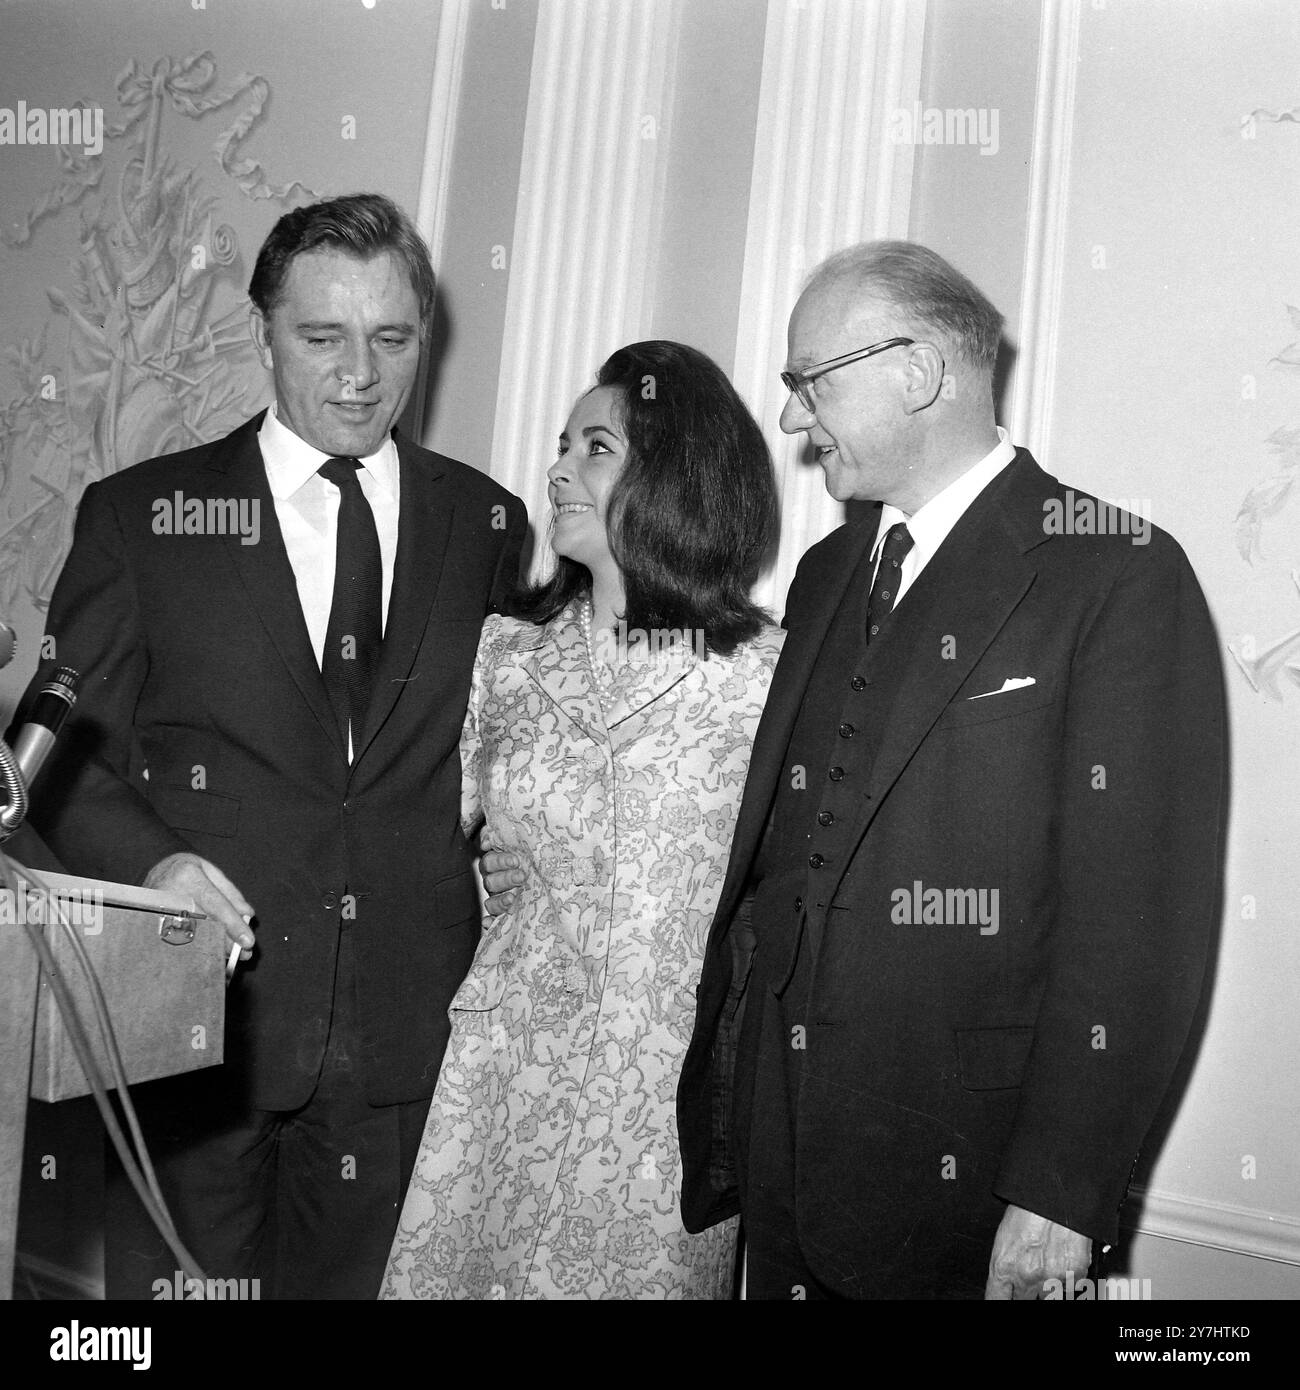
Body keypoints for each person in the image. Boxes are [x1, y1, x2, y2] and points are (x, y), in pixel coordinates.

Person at [663, 241, 1228, 1299]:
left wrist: (1060, 1191)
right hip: (780, 1168)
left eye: (808, 383)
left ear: (917, 373)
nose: (791, 419)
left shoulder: (1114, 573)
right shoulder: (831, 571)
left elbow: (1137, 926)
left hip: (964, 1193)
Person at [12, 193, 527, 1298]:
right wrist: (156, 863)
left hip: (402, 1038)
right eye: (321, 336)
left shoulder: (486, 523)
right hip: (200, 1029)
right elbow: (56, 758)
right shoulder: (141, 516)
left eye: (390, 338)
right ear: (262, 335)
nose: (359, 373)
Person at [381, 340, 783, 1300]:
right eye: (562, 443)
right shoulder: (503, 658)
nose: (558, 467)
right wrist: (486, 871)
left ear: (678, 479)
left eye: (595, 446)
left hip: (662, 1113)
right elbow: (421, 841)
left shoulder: (766, 677)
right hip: (501, 1076)